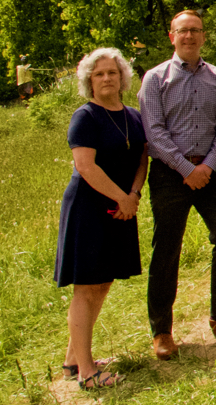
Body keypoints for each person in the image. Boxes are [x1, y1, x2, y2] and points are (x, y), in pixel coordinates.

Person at [139, 10, 216, 361]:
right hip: (169, 175)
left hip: (209, 171)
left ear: (203, 36)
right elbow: (154, 132)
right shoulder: (155, 79)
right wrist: (185, 169)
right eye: (183, 30)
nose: (189, 36)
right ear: (172, 36)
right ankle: (162, 331)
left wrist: (207, 167)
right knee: (167, 248)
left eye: (195, 30)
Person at [54, 48, 148, 390]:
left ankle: (73, 360)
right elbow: (85, 166)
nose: (107, 78)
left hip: (122, 207)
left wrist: (133, 195)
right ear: (89, 81)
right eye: (99, 74)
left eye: (112, 72)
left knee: (103, 282)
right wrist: (122, 198)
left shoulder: (134, 116)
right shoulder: (86, 117)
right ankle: (87, 374)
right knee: (87, 286)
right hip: (88, 209)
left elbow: (142, 159)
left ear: (122, 77)